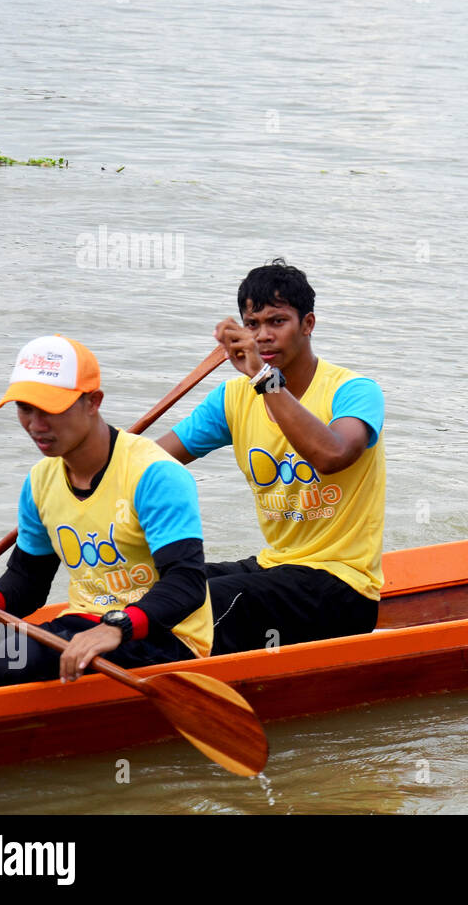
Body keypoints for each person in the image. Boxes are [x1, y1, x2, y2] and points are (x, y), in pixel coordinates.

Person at [0, 336, 211, 696]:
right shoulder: (40, 482)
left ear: (94, 402)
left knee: (12, 662)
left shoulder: (155, 474)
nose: (35, 424)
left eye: (51, 409)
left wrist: (116, 626)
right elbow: (28, 582)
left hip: (163, 635)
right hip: (82, 626)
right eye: (25, 408)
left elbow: (187, 584)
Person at [158, 260, 385, 653]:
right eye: (252, 324)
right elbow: (151, 462)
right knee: (153, 586)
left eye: (277, 322)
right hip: (275, 566)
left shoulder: (354, 391)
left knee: (204, 603)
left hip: (344, 587)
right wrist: (94, 451)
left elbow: (331, 455)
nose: (262, 336)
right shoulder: (232, 399)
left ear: (308, 324)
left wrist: (264, 379)